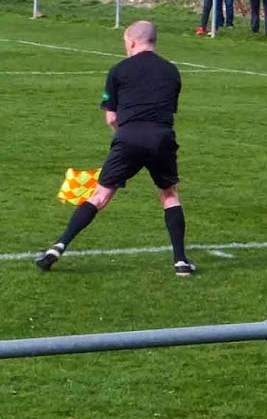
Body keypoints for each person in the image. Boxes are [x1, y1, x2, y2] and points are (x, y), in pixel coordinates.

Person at [36, 20, 192, 277]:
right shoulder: (172, 71)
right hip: (162, 137)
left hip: (128, 136)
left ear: (131, 42)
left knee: (100, 196)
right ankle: (181, 261)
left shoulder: (119, 70)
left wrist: (124, 143)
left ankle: (58, 246)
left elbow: (111, 117)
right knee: (169, 194)